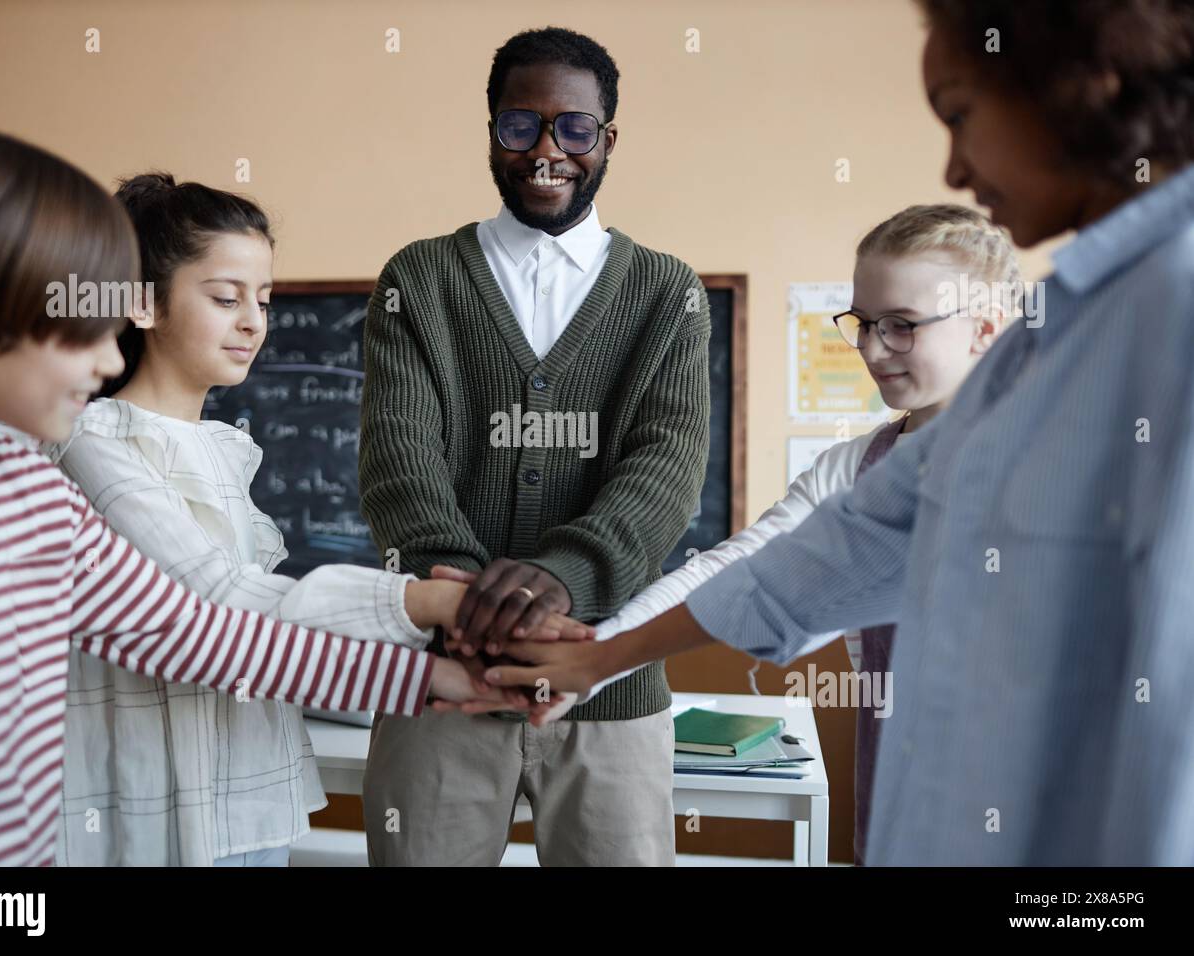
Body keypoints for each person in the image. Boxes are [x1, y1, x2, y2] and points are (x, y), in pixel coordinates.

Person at [483, 0, 1194, 865]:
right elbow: (819, 557)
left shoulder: (1167, 312)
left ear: (1085, 82)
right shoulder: (1052, 350)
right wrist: (599, 660)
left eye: (962, 113)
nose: (957, 166)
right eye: (863, 323)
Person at [0, 129, 527, 866]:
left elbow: (196, 634)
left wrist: (438, 680)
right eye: (75, 321)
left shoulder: (25, 487)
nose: (106, 355)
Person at [359, 27, 711, 865]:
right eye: (520, 125)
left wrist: (559, 580)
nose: (547, 150)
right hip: (439, 683)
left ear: (607, 139)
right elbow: (397, 465)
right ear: (491, 132)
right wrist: (470, 607)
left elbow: (665, 472)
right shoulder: (420, 278)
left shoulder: (667, 291)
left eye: (575, 128)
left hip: (608, 686)